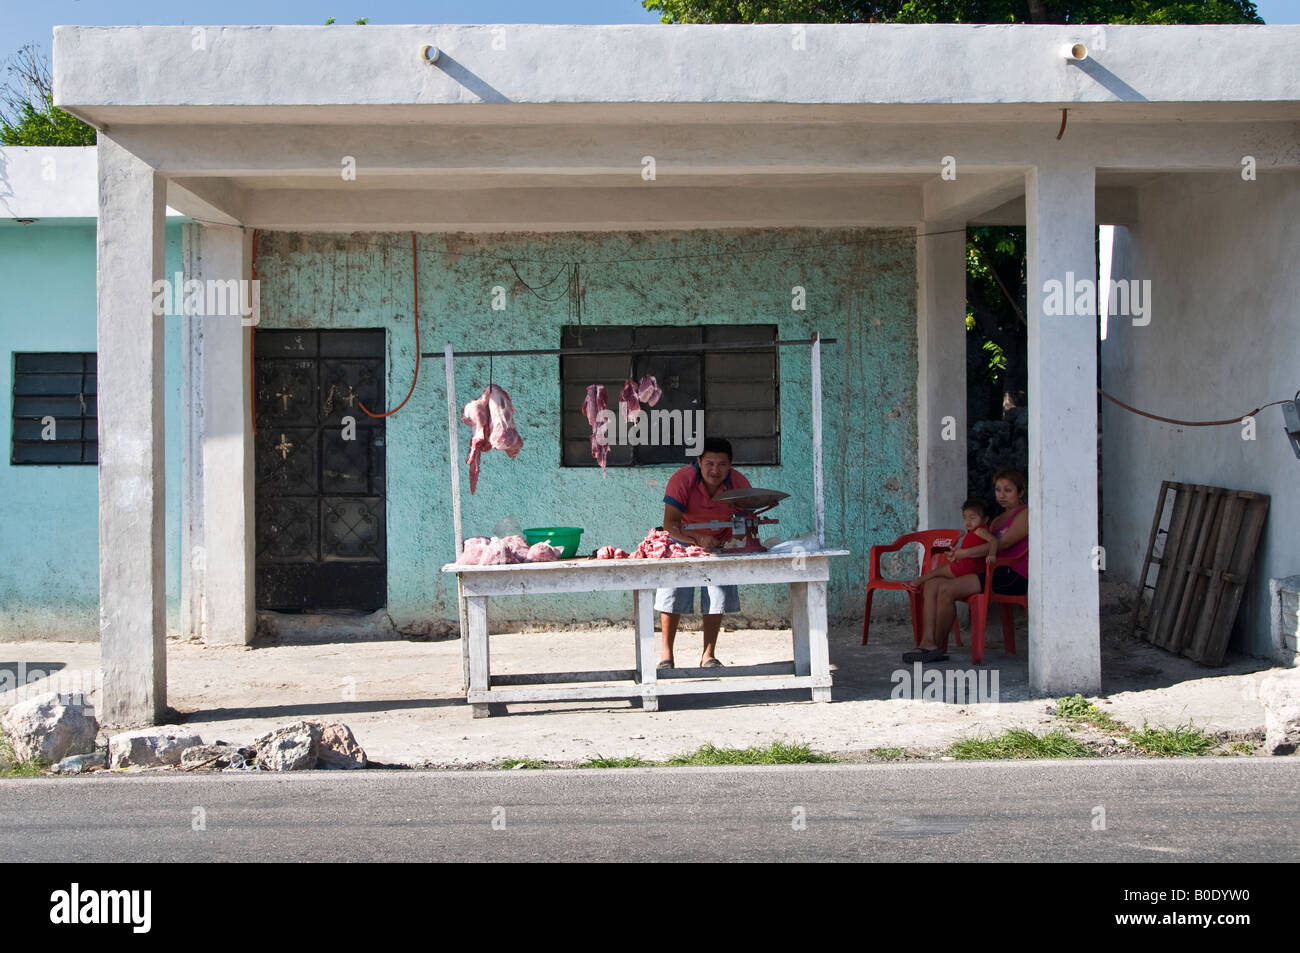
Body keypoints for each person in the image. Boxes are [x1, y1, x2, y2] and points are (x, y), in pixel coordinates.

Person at [903, 470, 1029, 663]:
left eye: (1008, 490)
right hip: (989, 571)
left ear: (1020, 492)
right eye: (998, 490)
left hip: (1011, 574)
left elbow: (1002, 545)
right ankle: (927, 642)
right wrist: (958, 556)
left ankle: (934, 646)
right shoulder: (996, 520)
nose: (1001, 495)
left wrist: (964, 554)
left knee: (946, 589)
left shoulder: (1025, 514)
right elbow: (981, 545)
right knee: (932, 585)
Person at [655, 437, 751, 670]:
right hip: (683, 539)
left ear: (731, 465)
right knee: (672, 591)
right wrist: (697, 540)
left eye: (722, 464)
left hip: (720, 543)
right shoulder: (681, 480)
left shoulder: (739, 483)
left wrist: (728, 541)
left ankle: (708, 655)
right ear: (698, 461)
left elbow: (744, 521)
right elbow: (669, 524)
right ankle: (666, 656)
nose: (715, 470)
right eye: (709, 463)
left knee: (717, 595)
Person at [904, 499, 993, 590]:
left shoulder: (980, 530)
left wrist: (992, 554)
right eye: (964, 517)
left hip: (968, 569)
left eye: (972, 518)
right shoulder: (974, 533)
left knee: (937, 571)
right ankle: (918, 583)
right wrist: (955, 555)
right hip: (968, 567)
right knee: (937, 574)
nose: (967, 521)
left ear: (985, 519)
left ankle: (916, 582)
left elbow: (994, 541)